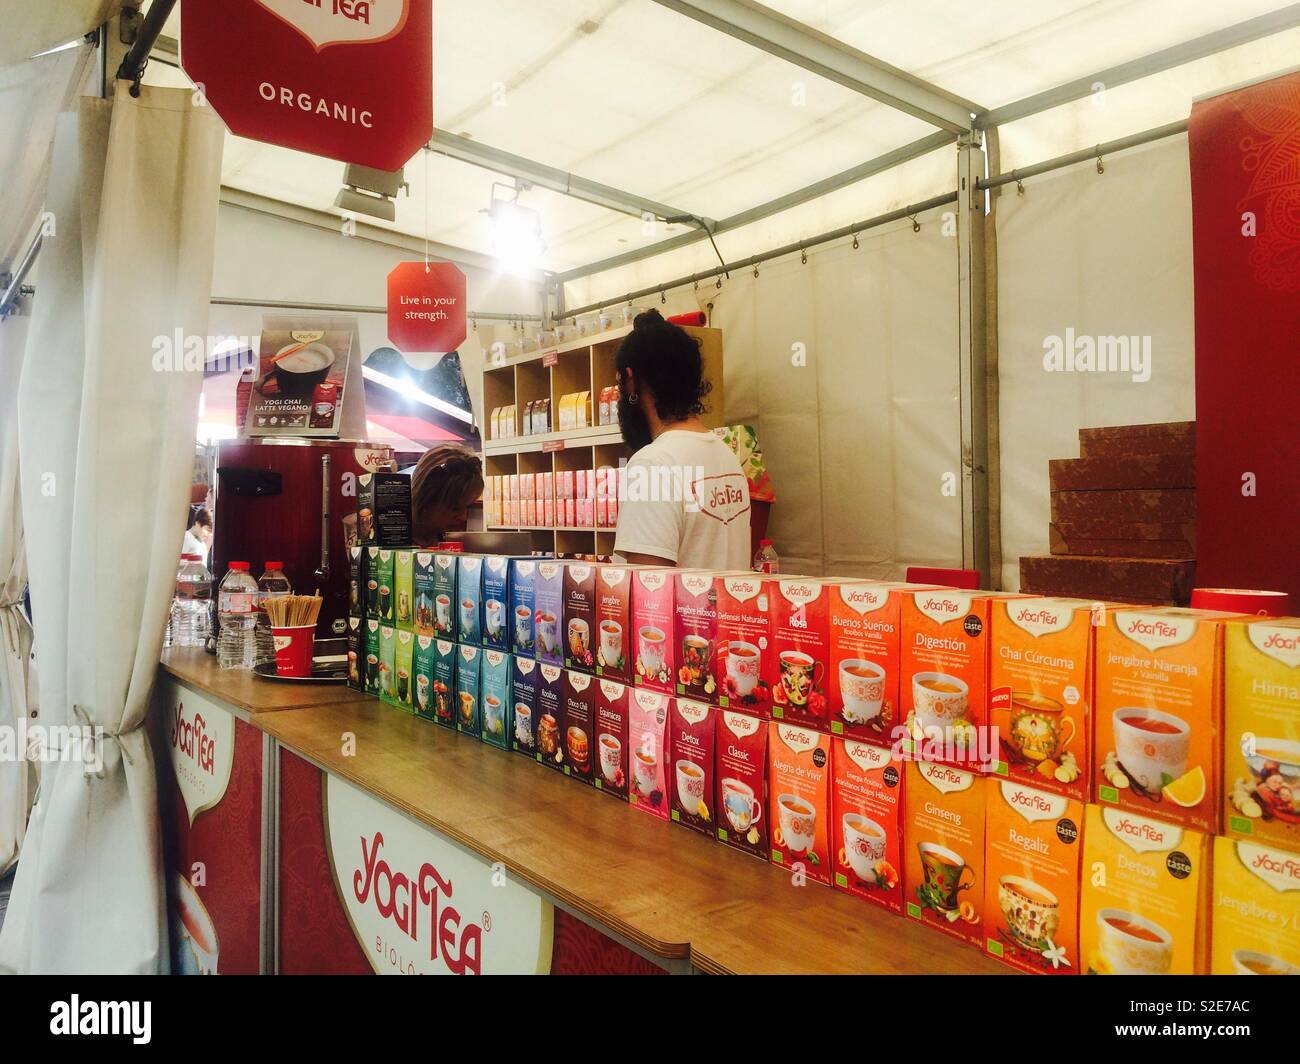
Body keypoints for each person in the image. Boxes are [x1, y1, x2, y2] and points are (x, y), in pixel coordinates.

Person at [613, 310, 750, 569]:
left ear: (631, 382)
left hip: (683, 611)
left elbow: (649, 594)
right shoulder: (725, 454)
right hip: (727, 609)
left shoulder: (652, 465)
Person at [410, 442, 485, 546]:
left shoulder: (452, 539)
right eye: (455, 508)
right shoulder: (390, 540)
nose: (464, 517)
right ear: (426, 500)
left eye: (468, 507)